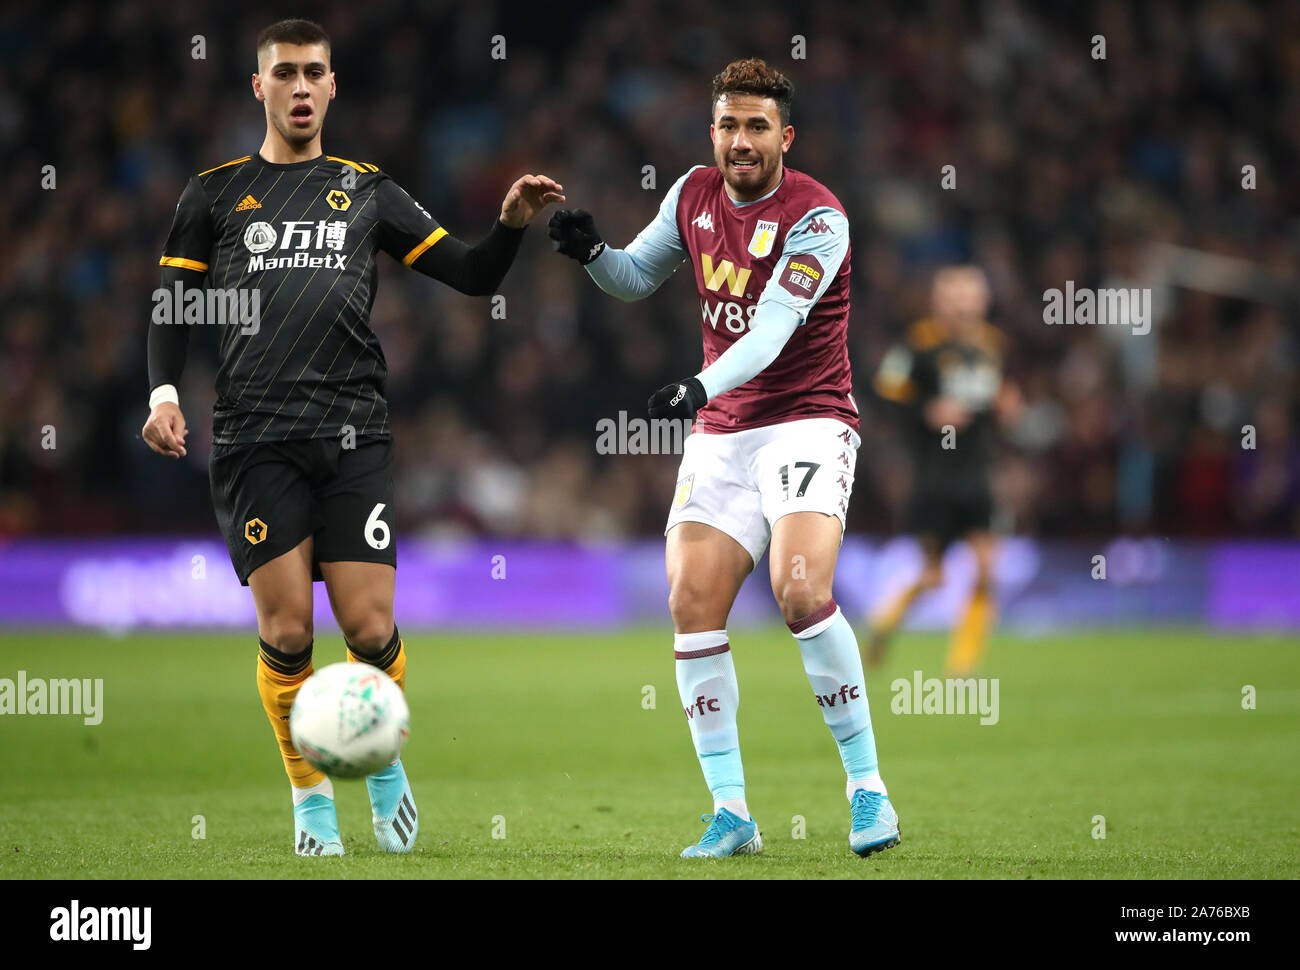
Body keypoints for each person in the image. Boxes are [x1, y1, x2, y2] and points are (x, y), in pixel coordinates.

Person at [141, 18, 562, 856]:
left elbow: (473, 277)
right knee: (290, 632)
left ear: (334, 87)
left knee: (369, 630)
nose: (301, 87)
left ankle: (384, 770)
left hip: (353, 429)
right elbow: (174, 307)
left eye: (315, 74)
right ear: (258, 88)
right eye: (285, 73)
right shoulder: (213, 195)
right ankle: (310, 802)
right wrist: (160, 392)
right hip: (255, 436)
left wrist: (510, 225)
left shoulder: (367, 190)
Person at [549, 58, 898, 858]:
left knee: (801, 591)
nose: (741, 142)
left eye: (757, 127)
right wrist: (594, 252)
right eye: (728, 126)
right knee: (689, 601)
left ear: (786, 136)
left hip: (806, 419)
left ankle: (868, 789)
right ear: (712, 130)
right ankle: (732, 813)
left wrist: (696, 388)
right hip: (723, 429)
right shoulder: (691, 194)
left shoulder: (820, 218)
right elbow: (638, 278)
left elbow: (773, 330)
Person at [868, 265, 1019, 676]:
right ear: (938, 301)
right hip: (933, 476)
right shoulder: (917, 346)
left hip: (978, 474)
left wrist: (1008, 406)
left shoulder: (993, 346)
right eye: (954, 295)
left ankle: (962, 666)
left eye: (971, 295)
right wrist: (925, 411)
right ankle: (883, 624)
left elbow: (1002, 397)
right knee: (933, 577)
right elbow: (885, 393)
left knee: (987, 567)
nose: (963, 304)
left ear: (983, 300)